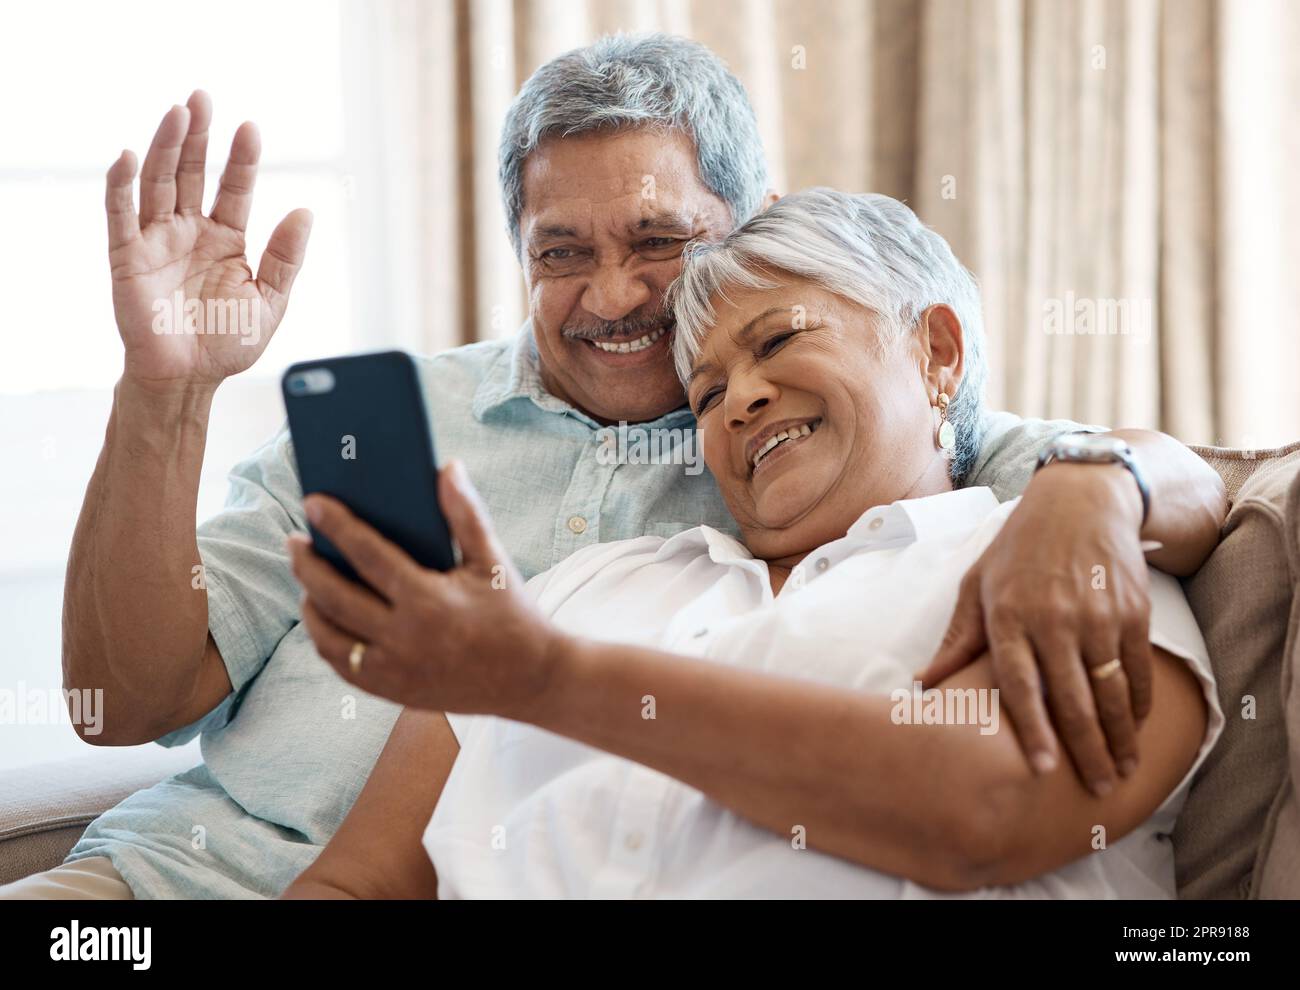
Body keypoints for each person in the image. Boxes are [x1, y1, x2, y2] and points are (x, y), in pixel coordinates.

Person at [5, 35, 1224, 900]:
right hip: (157, 884)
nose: (612, 295)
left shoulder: (853, 454)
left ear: (752, 228)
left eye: (658, 240)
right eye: (560, 252)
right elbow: (125, 705)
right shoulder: (417, 423)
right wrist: (165, 389)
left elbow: (1157, 480)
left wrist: (1093, 488)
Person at [285, 189, 1223, 898]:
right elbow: (351, 883)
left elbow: (982, 810)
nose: (740, 400)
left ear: (936, 353)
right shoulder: (572, 591)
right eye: (705, 393)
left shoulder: (1050, 551)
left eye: (778, 343)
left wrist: (545, 679)